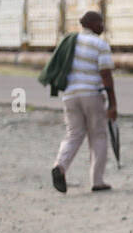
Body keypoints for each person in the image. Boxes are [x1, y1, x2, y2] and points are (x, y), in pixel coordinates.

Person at [50, 11, 117, 193]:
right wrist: (113, 103)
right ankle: (97, 181)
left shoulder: (69, 42)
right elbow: (105, 74)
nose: (102, 26)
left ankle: (60, 166)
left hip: (70, 95)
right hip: (91, 94)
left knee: (73, 134)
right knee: (98, 135)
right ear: (93, 24)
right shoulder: (99, 44)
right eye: (100, 22)